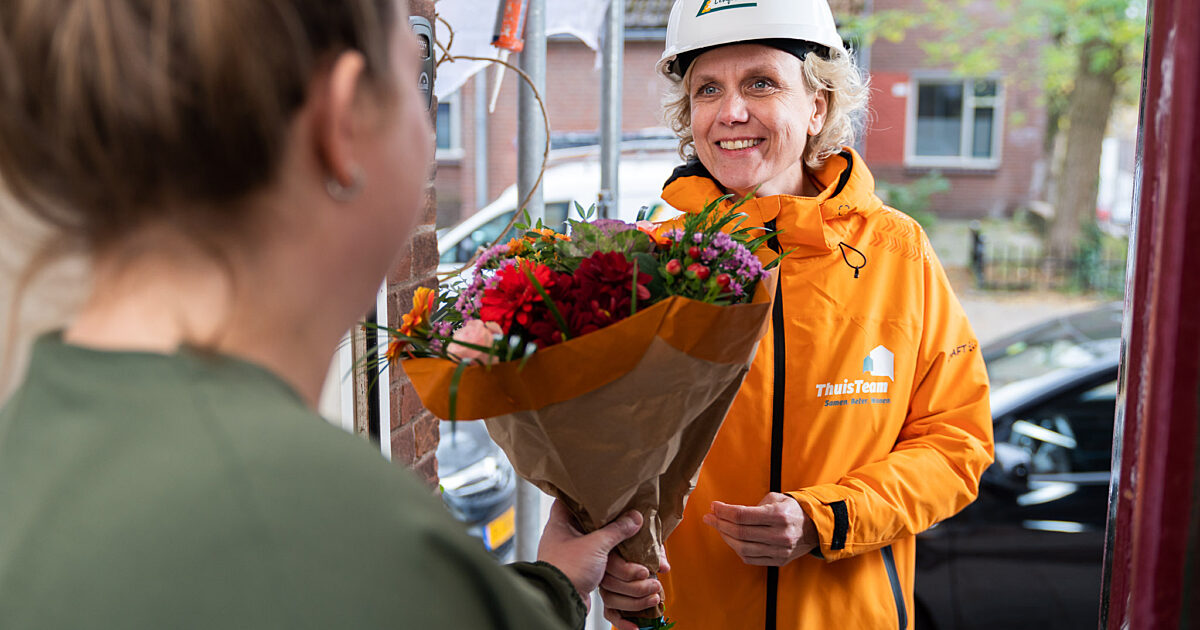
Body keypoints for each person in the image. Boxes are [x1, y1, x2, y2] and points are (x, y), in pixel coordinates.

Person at [0, 2, 639, 628]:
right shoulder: (340, 533)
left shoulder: (34, 458)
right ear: (343, 121)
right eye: (418, 68)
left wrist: (549, 587)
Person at [599, 1, 994, 628]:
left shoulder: (898, 252)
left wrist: (828, 518)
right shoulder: (652, 261)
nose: (731, 112)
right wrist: (607, 561)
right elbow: (600, 453)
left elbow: (957, 443)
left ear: (817, 106)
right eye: (708, 89)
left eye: (761, 82)